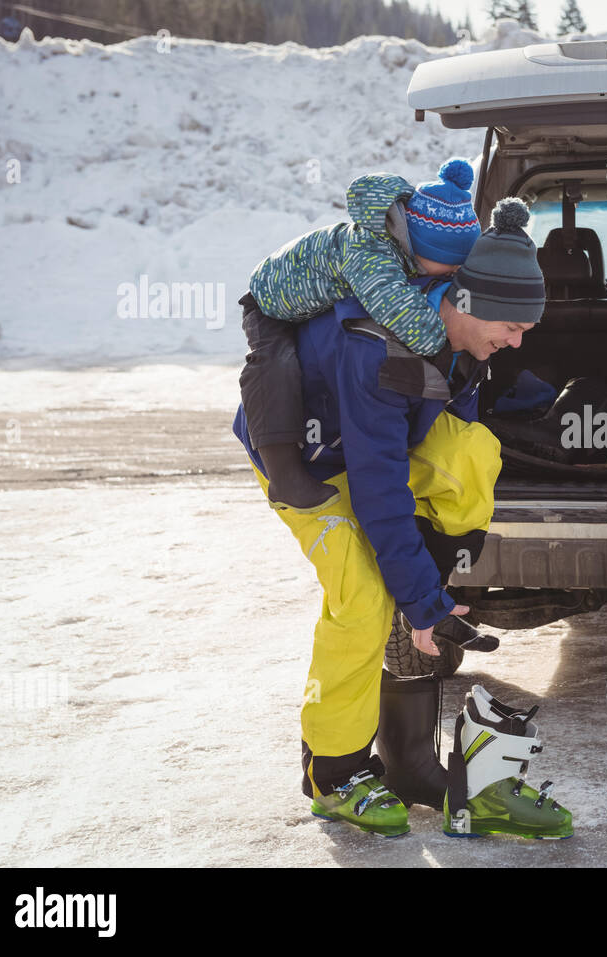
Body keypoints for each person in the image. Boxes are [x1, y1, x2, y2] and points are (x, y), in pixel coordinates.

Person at [233, 198, 570, 838]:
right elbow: (379, 485)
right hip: (307, 462)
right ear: (464, 304)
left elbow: (453, 440)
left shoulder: (460, 333)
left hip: (369, 447)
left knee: (474, 452)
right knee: (360, 595)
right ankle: (334, 773)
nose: (519, 340)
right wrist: (414, 601)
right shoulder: (382, 348)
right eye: (511, 325)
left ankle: (418, 653)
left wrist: (427, 592)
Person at [239, 159, 479, 511]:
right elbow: (400, 310)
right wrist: (442, 341)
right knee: (275, 364)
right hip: (270, 300)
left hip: (312, 301)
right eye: (453, 265)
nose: (457, 273)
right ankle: (283, 475)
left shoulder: (402, 245)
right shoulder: (371, 254)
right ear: (423, 249)